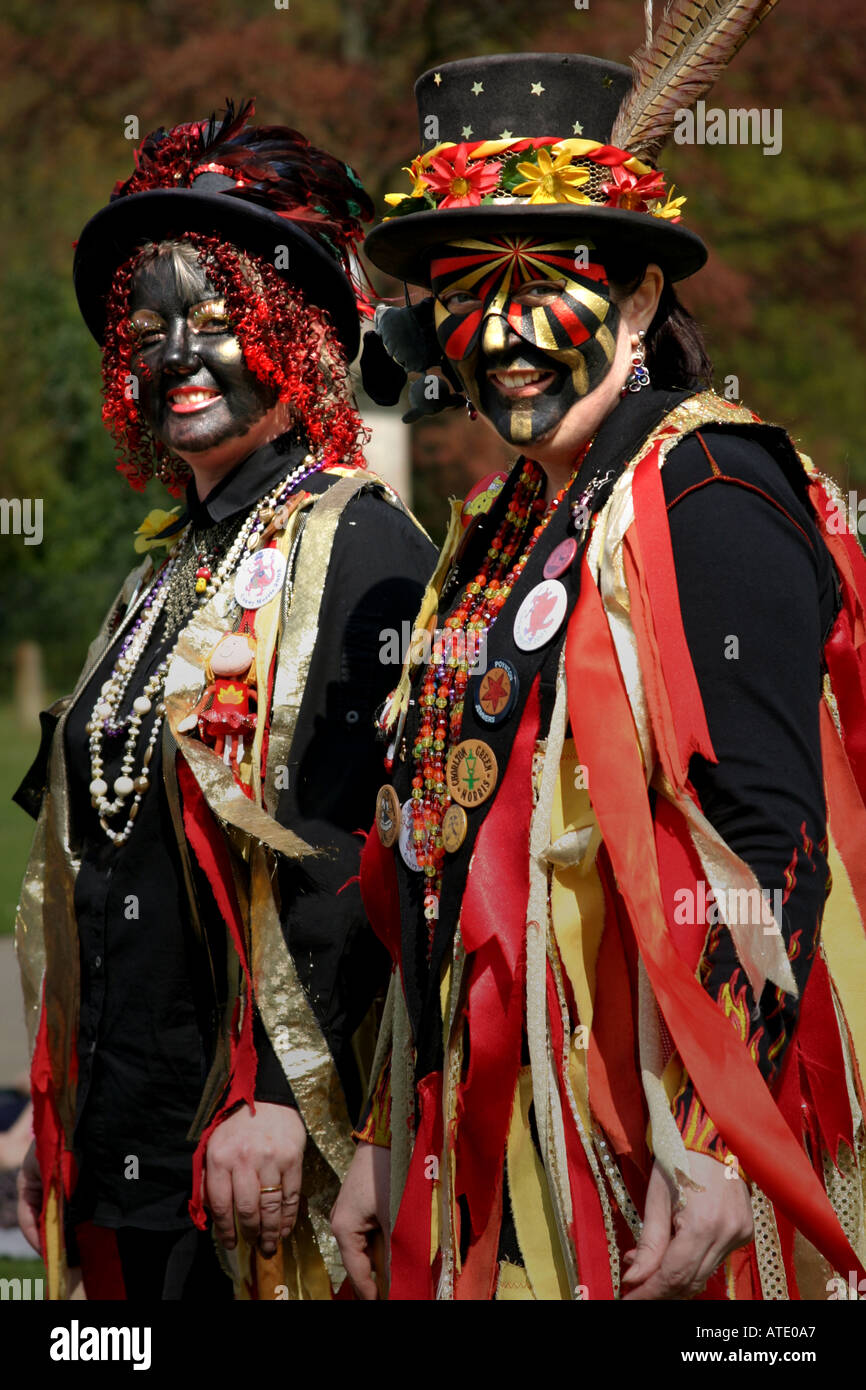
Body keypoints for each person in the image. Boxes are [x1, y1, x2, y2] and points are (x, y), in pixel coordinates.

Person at [331, 46, 866, 1301]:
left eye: (544, 287)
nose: (504, 335)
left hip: (652, 1166)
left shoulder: (707, 496)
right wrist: (388, 1131)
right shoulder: (502, 523)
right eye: (467, 293)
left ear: (630, 300)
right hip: (498, 1149)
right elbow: (441, 859)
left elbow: (772, 835)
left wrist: (724, 1137)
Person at [13, 100, 436, 1301]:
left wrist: (276, 1099)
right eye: (148, 330)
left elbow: (365, 850)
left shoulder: (366, 552)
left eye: (217, 321)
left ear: (296, 335)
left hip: (251, 1167)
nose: (175, 357)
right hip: (121, 1151)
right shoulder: (170, 562)